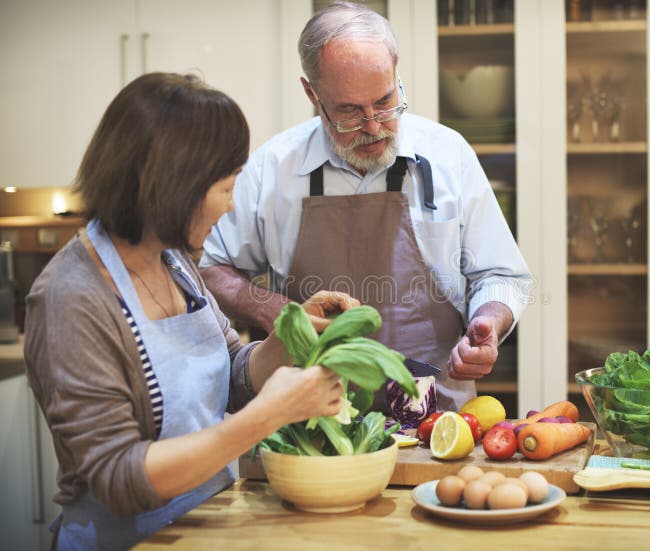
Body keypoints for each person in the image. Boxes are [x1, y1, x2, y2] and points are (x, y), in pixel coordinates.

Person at [24, 72, 358, 551]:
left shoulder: (174, 260)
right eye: (225, 187)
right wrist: (268, 417)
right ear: (171, 186)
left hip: (203, 527)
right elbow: (119, 480)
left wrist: (290, 334)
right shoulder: (71, 300)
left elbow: (235, 378)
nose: (229, 206)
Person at [200, 1, 532, 412]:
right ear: (312, 93)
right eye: (350, 112)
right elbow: (210, 269)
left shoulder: (449, 155)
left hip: (436, 421)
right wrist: (273, 310)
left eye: (385, 101)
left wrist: (489, 322)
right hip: (311, 419)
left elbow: (501, 274)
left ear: (395, 72)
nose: (374, 127)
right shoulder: (273, 168)